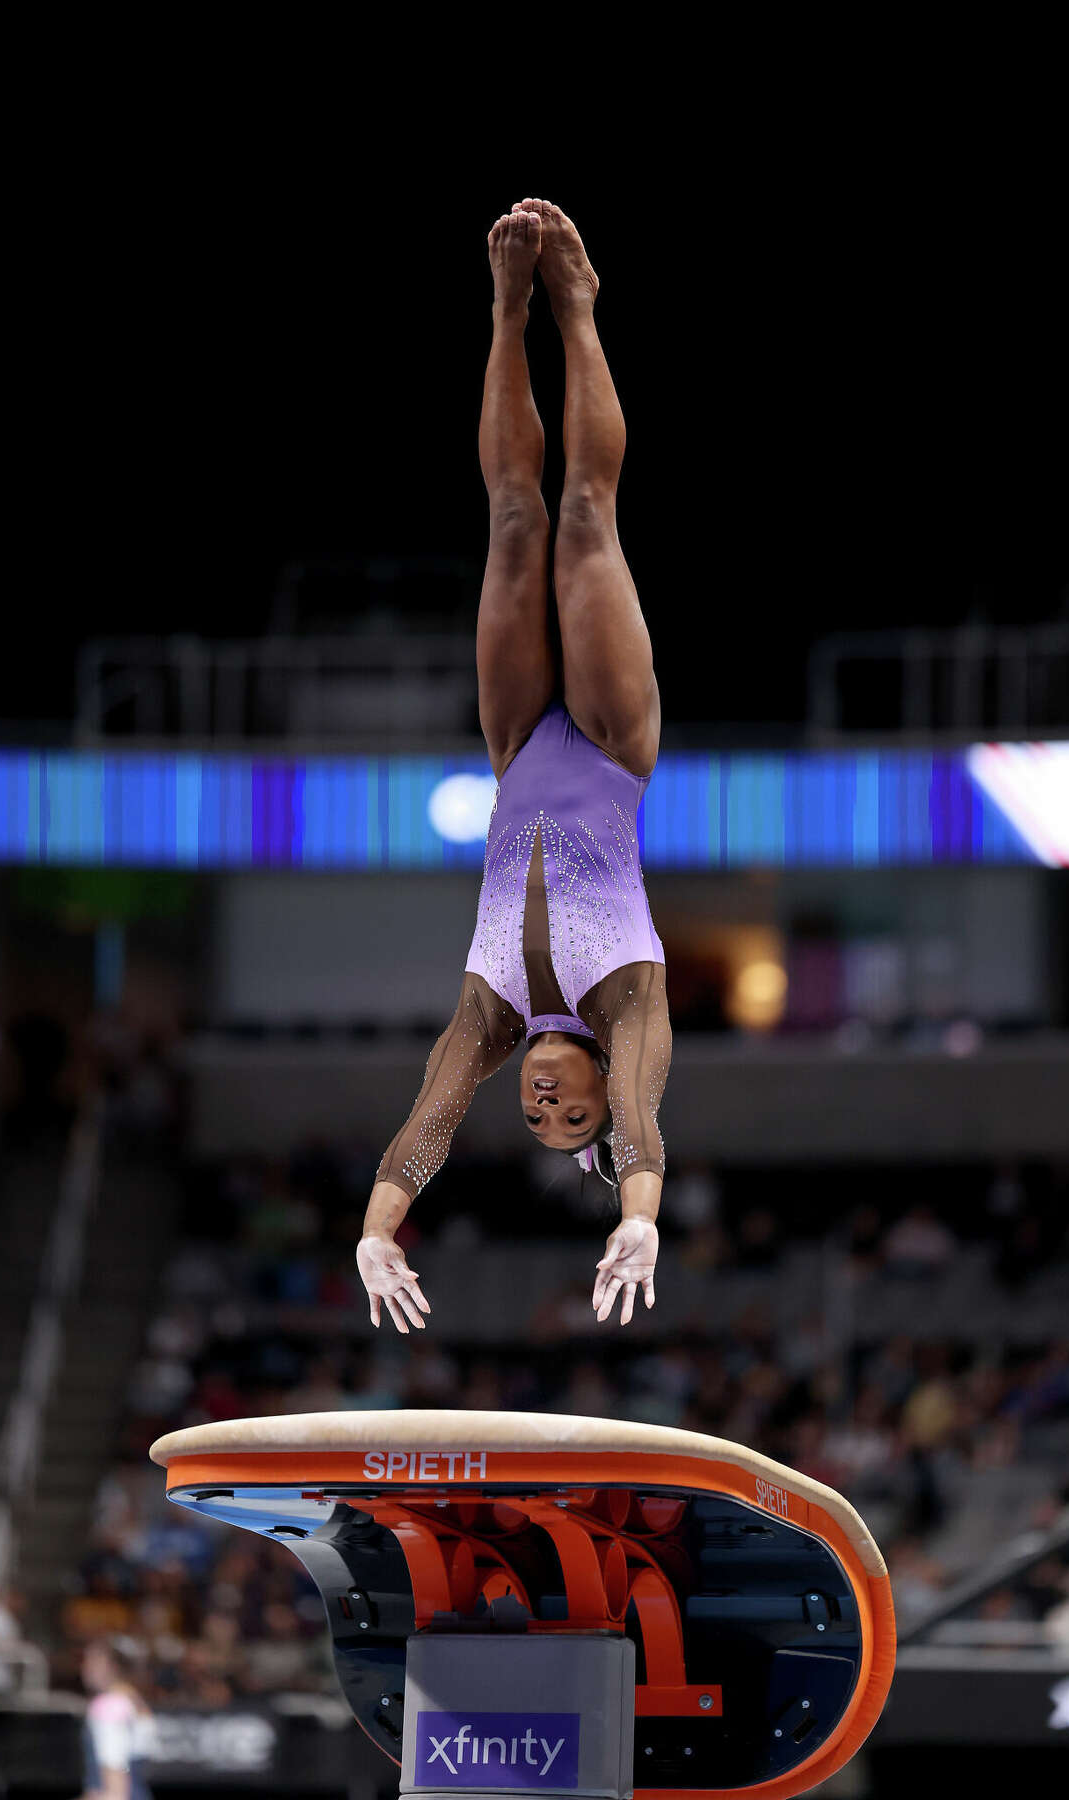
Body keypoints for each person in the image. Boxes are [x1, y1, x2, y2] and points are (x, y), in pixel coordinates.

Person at [358, 200, 670, 1334]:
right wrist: (635, 1213)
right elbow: (644, 1121)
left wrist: (376, 1230)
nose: (548, 1110)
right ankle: (580, 310)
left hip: (514, 750)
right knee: (585, 518)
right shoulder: (628, 1006)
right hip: (607, 747)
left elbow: (430, 1122)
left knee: (510, 524)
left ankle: (505, 310)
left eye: (538, 1123)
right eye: (569, 1121)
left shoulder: (490, 1023)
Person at [77, 1638, 155, 1800]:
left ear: (113, 1667)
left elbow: (115, 1793)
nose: (85, 1668)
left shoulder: (108, 1706)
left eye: (93, 1661)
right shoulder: (137, 1702)